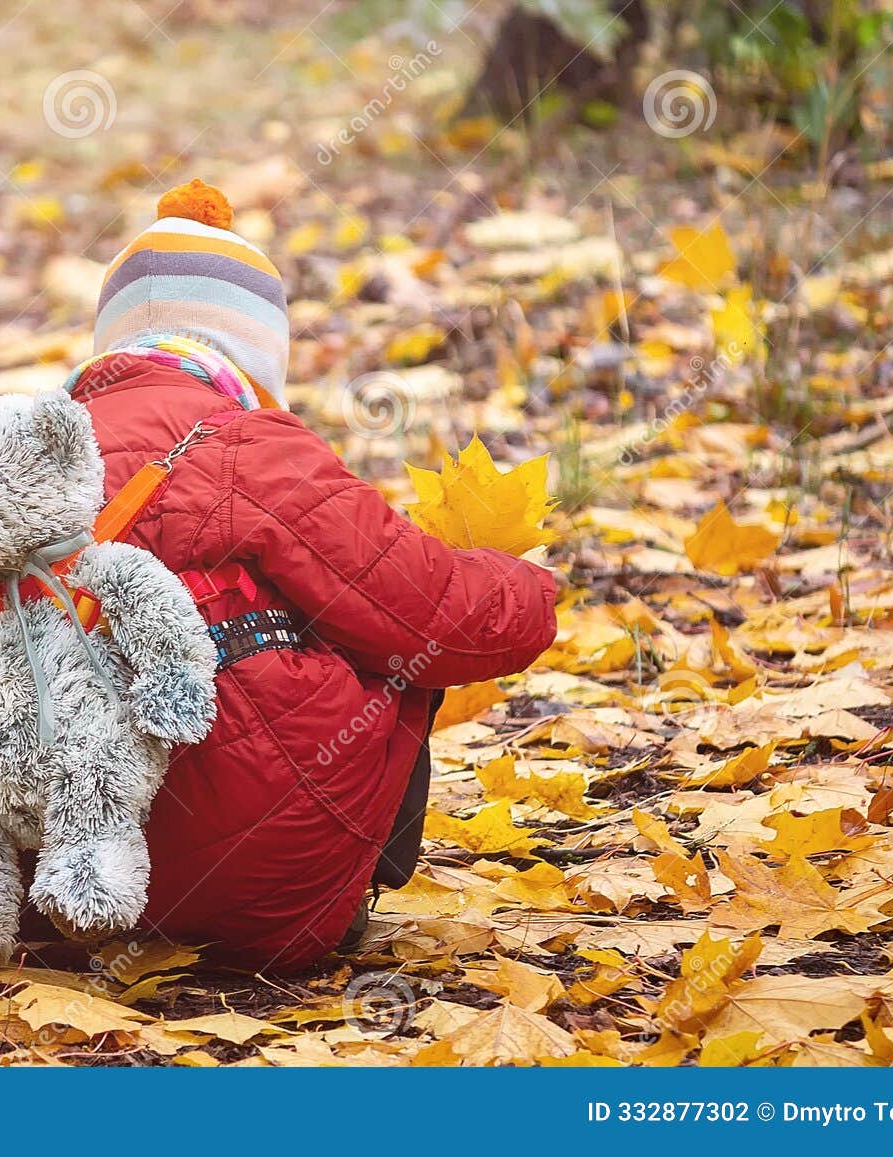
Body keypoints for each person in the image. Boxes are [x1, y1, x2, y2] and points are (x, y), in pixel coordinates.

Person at [59, 179, 557, 971]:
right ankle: (343, 893)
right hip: (260, 885)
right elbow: (433, 611)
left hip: (50, 869)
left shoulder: (21, 451)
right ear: (256, 349)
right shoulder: (252, 443)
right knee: (383, 631)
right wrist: (534, 592)